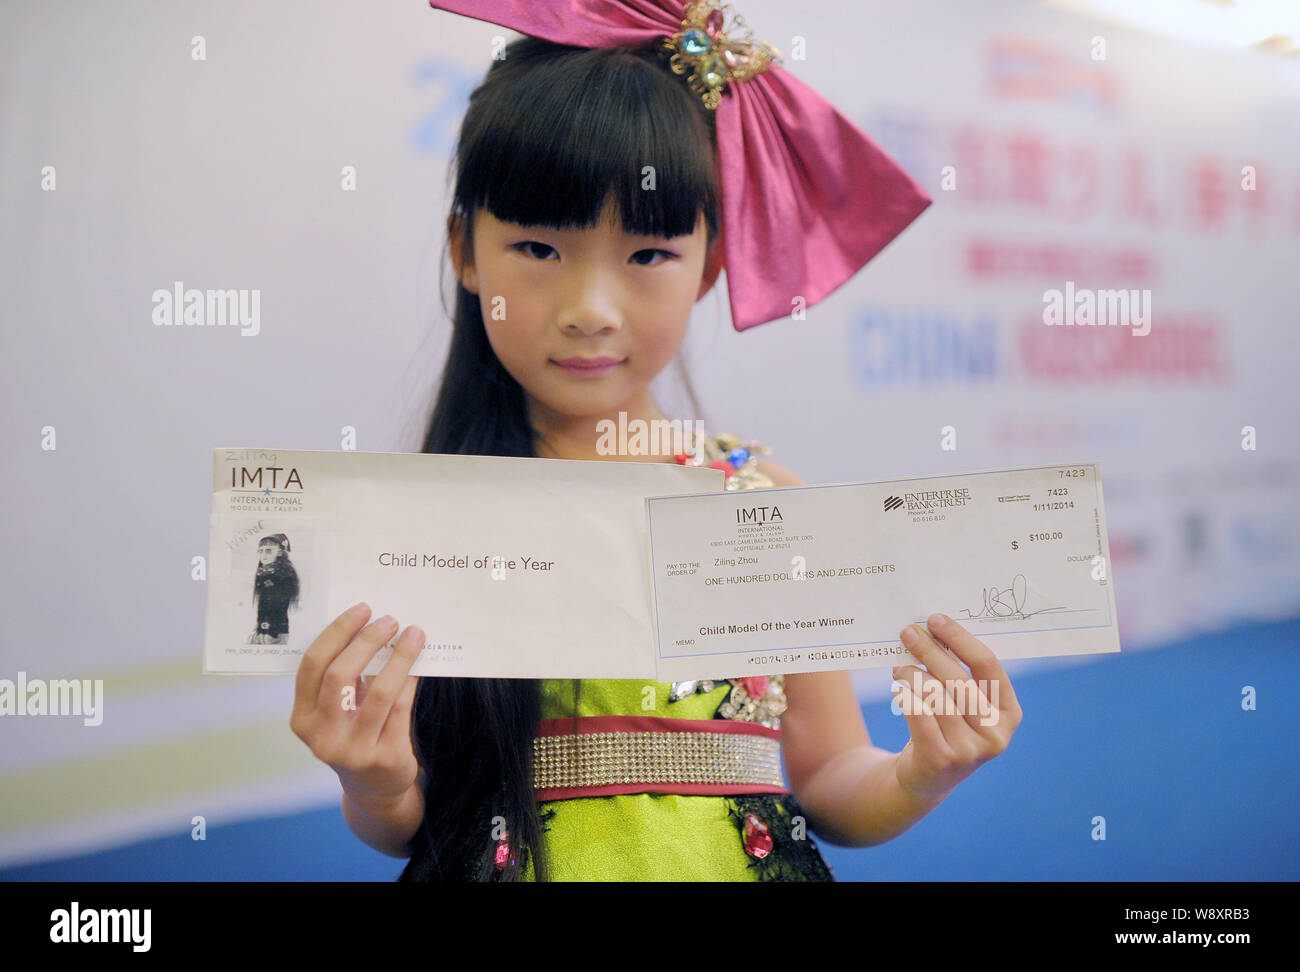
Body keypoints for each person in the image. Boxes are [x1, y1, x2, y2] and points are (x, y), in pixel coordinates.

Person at [290, 3, 1023, 881]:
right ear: (465, 250)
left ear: (710, 265)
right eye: (536, 246)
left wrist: (921, 772)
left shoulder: (764, 506)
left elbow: (827, 776)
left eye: (646, 256)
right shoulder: (422, 520)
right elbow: (416, 820)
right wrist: (371, 783)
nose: (591, 308)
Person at [250, 534, 298, 645]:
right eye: (260, 551)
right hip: (262, 627)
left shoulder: (283, 574)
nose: (263, 555)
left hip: (275, 631)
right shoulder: (264, 572)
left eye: (268, 551)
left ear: (280, 553)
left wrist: (269, 630)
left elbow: (278, 605)